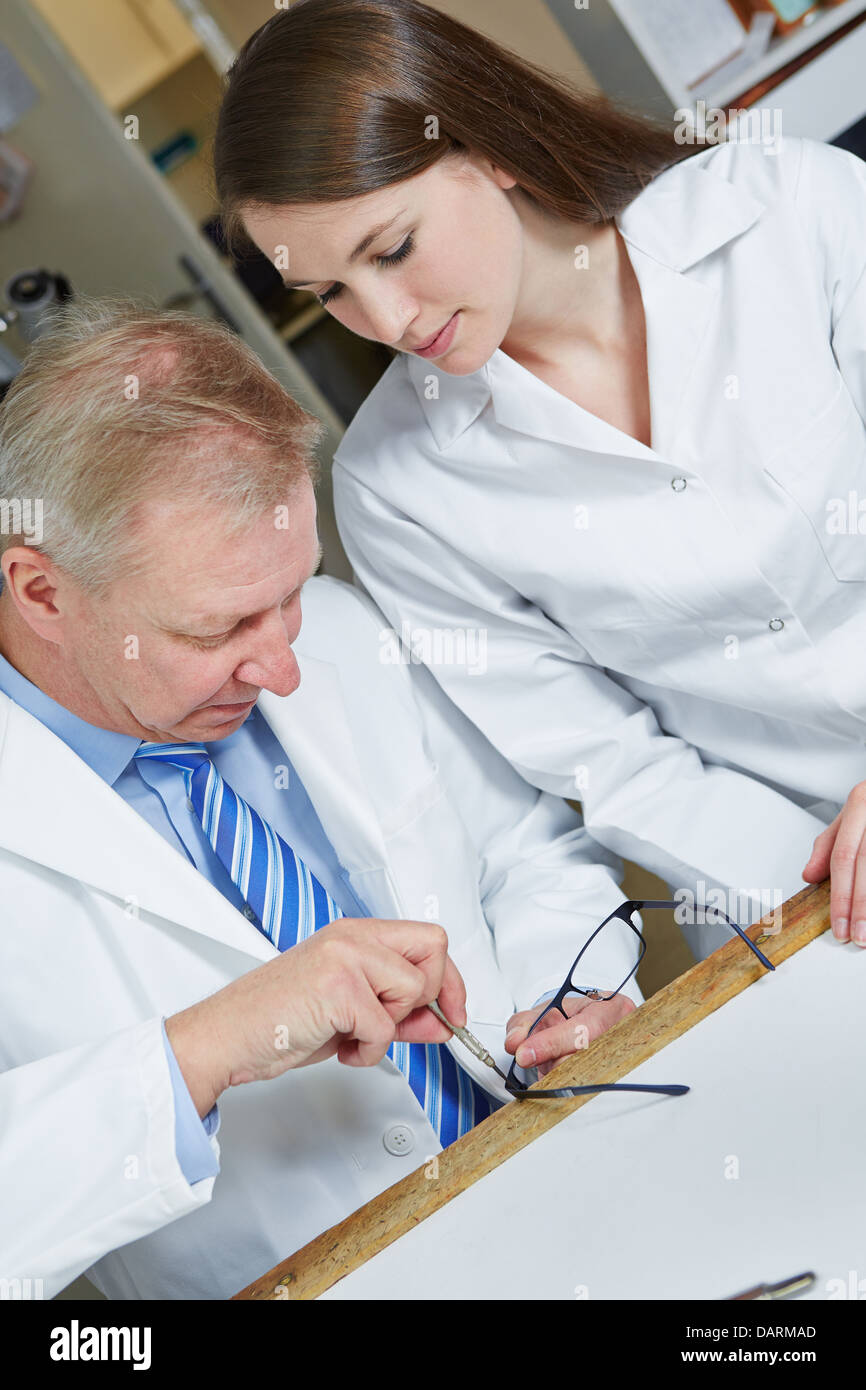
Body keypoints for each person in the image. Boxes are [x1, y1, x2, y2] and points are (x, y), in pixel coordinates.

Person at [0, 296, 642, 1301]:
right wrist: (203, 1049)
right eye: (218, 629)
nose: (285, 666)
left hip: (588, 1200)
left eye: (294, 589)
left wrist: (570, 995)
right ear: (41, 591)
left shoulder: (332, 631)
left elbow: (521, 849)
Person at [213, 0, 866, 960]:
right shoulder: (398, 487)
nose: (387, 317)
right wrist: (828, 889)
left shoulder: (791, 212)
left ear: (491, 147)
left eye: (391, 249)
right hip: (815, 894)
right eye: (332, 294)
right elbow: (615, 765)